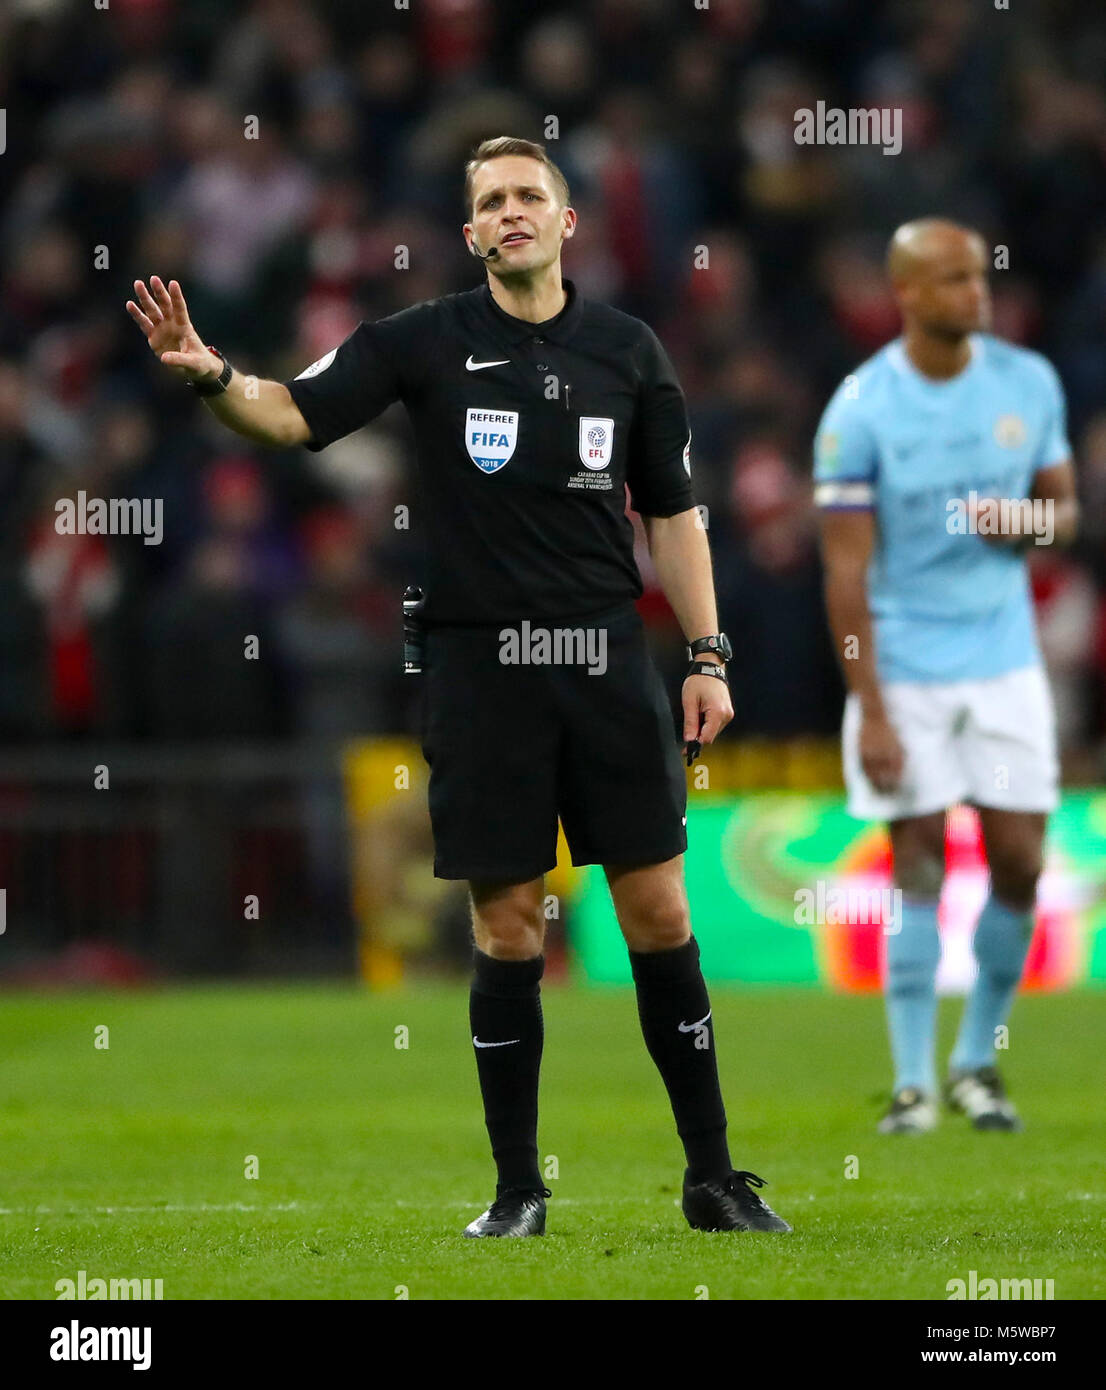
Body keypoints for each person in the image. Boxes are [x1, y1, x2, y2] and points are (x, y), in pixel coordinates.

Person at [125, 135, 791, 1236]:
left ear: (566, 222)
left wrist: (707, 654)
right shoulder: (417, 342)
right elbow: (291, 414)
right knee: (510, 926)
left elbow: (672, 516)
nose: (512, 211)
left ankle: (712, 1177)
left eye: (531, 193)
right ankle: (517, 1189)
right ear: (471, 230)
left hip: (602, 658)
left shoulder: (627, 351)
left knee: (659, 911)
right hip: (481, 670)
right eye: (491, 200)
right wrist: (208, 373)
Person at [815, 219, 1079, 1134]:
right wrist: (873, 710)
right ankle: (915, 1083)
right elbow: (845, 570)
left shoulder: (1028, 382)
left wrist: (1028, 524)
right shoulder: (860, 409)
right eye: (957, 278)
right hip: (907, 667)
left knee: (1020, 862)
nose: (980, 290)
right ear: (910, 294)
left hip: (1004, 662)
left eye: (980, 275)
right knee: (917, 863)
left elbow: (1066, 515)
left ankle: (978, 1063)